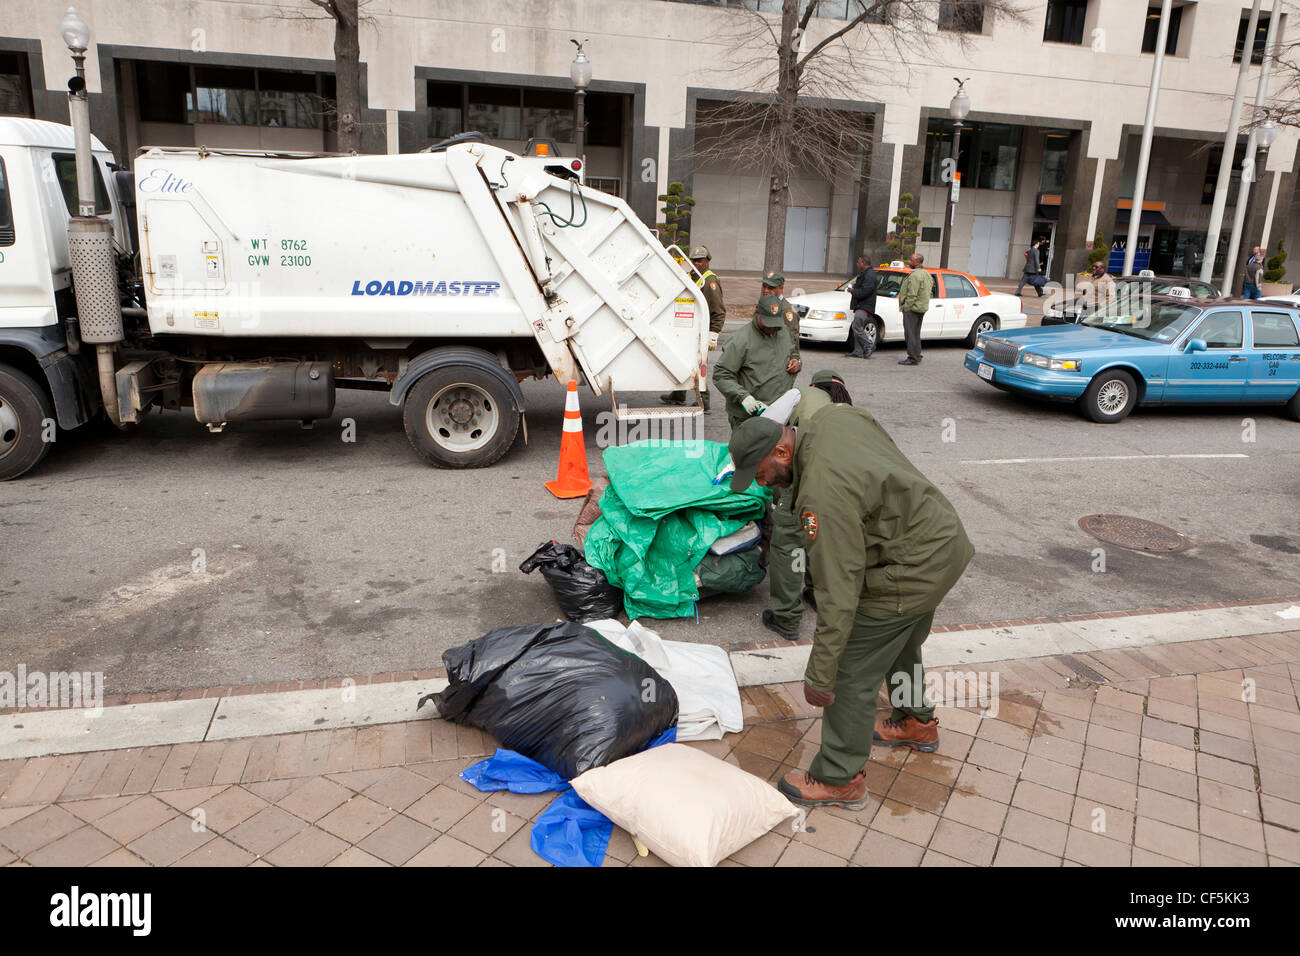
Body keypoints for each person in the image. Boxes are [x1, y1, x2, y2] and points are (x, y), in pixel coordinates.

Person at [726, 410, 974, 809]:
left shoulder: (820, 497)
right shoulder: (831, 418)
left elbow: (838, 593)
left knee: (851, 673)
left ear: (782, 451)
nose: (761, 482)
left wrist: (822, 675)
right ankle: (916, 721)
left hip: (908, 568)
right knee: (902, 643)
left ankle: (839, 778)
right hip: (941, 540)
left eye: (760, 471)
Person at [755, 369, 849, 640]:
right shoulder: (844, 409)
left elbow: (765, 424)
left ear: (814, 385)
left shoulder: (801, 393)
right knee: (820, 537)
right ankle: (818, 596)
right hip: (841, 484)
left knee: (788, 543)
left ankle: (786, 617)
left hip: (807, 476)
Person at [712, 294, 800, 431]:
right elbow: (721, 374)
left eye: (774, 324)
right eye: (767, 324)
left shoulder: (783, 332)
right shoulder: (741, 340)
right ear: (757, 313)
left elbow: (793, 352)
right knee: (748, 451)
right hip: (749, 416)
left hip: (779, 412)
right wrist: (743, 397)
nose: (771, 329)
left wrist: (796, 362)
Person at [663, 245, 725, 408]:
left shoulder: (710, 281)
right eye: (694, 261)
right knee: (683, 361)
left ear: (708, 261)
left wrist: (714, 334)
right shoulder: (696, 277)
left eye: (700, 261)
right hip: (690, 330)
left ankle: (703, 401)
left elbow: (718, 311)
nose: (697, 263)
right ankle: (678, 394)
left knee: (698, 365)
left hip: (701, 333)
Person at [896, 252, 930, 365]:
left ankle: (912, 358)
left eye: (910, 260)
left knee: (910, 333)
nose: (908, 262)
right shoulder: (926, 274)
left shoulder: (915, 275)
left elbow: (912, 294)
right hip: (921, 307)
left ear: (916, 262)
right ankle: (917, 355)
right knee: (915, 333)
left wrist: (906, 307)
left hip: (913, 308)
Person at [846, 253, 879, 359]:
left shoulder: (869, 275)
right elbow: (864, 287)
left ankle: (869, 344)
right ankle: (858, 351)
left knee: (857, 327)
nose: (857, 264)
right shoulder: (866, 273)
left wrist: (853, 291)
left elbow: (865, 291)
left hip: (864, 306)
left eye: (858, 262)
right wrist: (855, 287)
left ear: (863, 263)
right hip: (862, 305)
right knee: (857, 327)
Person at [760, 270, 800, 351]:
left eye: (771, 287)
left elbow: (792, 341)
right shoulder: (764, 305)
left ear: (781, 288)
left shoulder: (787, 311)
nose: (765, 291)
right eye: (764, 286)